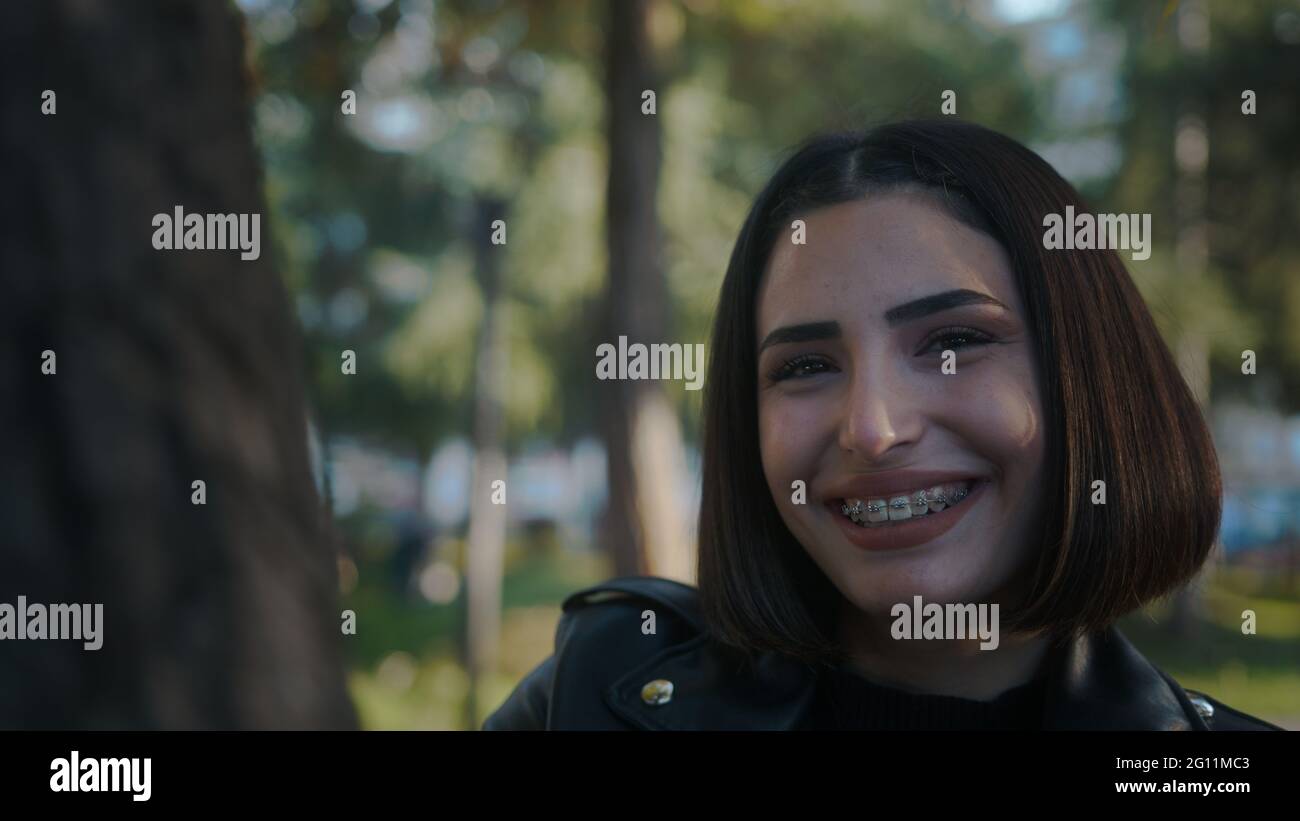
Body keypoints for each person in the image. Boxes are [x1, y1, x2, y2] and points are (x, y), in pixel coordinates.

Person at [482, 119, 1282, 731]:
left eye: (954, 341)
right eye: (803, 366)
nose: (873, 428)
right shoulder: (592, 698)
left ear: (1092, 381)